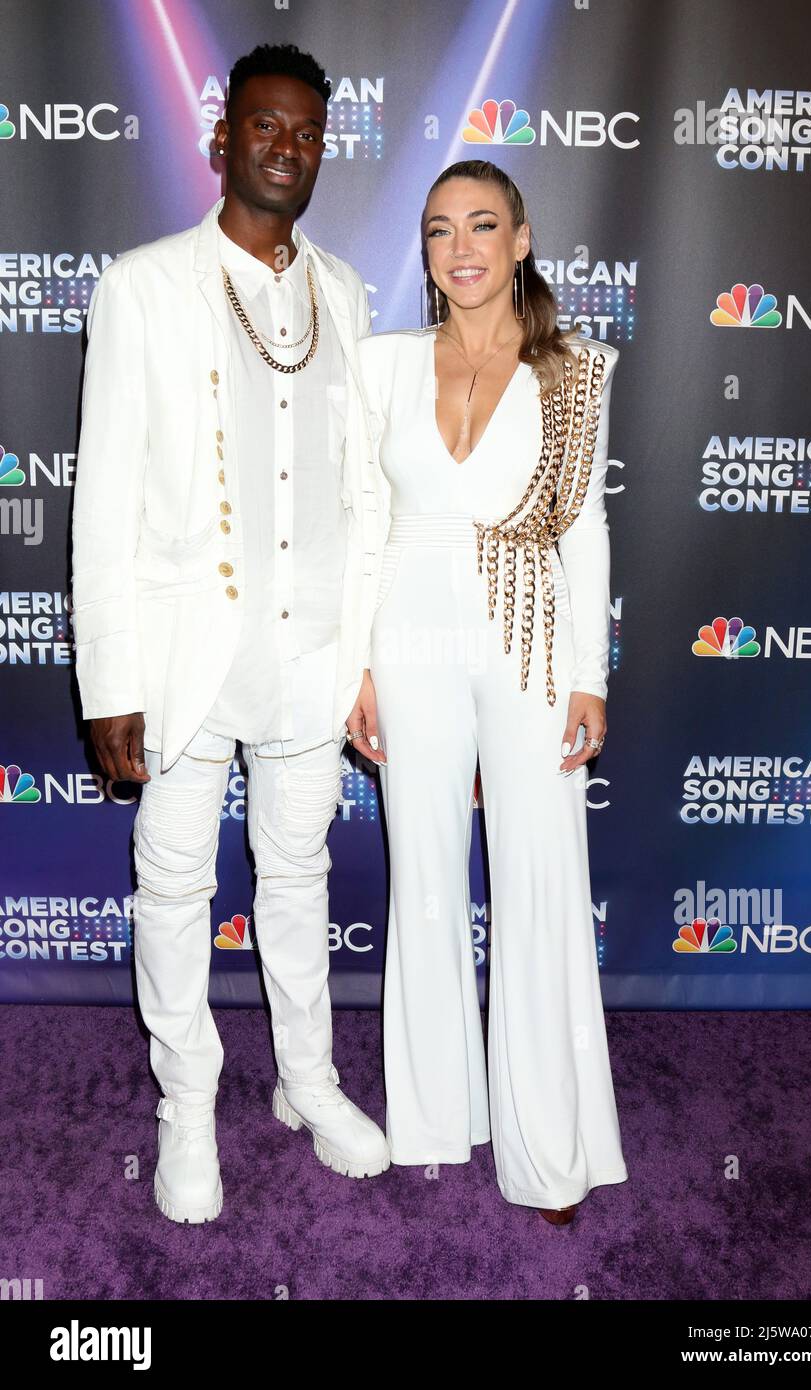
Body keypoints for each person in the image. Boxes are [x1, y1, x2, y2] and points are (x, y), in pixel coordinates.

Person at [71, 42, 391, 1225]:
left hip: (311, 656)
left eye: (306, 131)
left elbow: (363, 494)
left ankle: (306, 1081)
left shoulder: (347, 293)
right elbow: (102, 498)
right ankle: (186, 1104)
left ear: (320, 149)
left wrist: (360, 654)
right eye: (264, 125)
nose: (285, 146)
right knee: (174, 884)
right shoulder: (143, 285)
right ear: (222, 141)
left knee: (298, 875)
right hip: (183, 659)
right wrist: (110, 679)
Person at [353, 159, 629, 1224]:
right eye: (436, 230)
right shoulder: (382, 365)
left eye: (480, 225)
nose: (458, 246)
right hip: (405, 630)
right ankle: (429, 1115)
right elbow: (363, 519)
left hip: (529, 629)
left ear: (520, 239)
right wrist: (357, 666)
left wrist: (589, 674)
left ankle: (547, 1141)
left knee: (539, 872)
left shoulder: (578, 369)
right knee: (421, 866)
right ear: (422, 252)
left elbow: (587, 525)